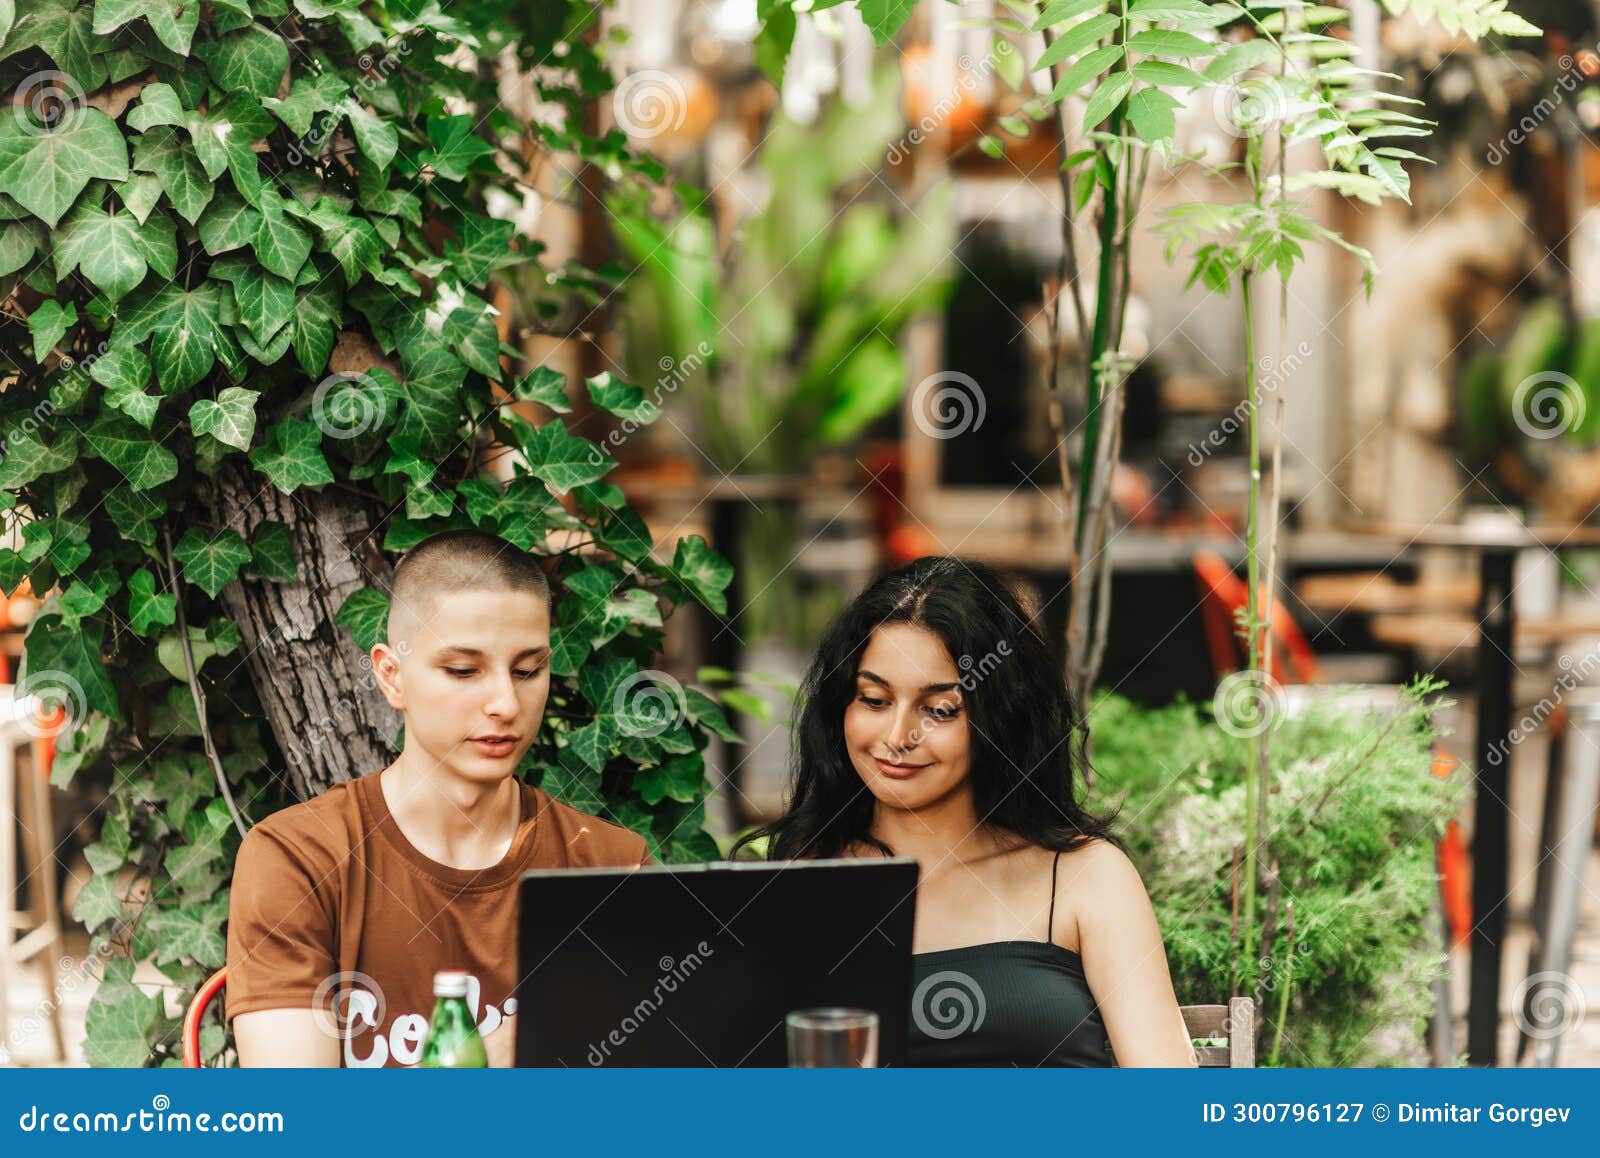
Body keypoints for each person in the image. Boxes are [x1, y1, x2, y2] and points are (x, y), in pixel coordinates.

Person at [736, 556, 1195, 1066]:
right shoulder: (800, 878)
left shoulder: (1086, 877)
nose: (896, 737)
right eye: (874, 699)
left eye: (938, 710)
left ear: (1000, 717)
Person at [226, 530, 651, 1067]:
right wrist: (513, 1041)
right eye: (463, 671)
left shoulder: (610, 865)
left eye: (528, 671)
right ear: (391, 676)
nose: (504, 702)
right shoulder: (297, 858)